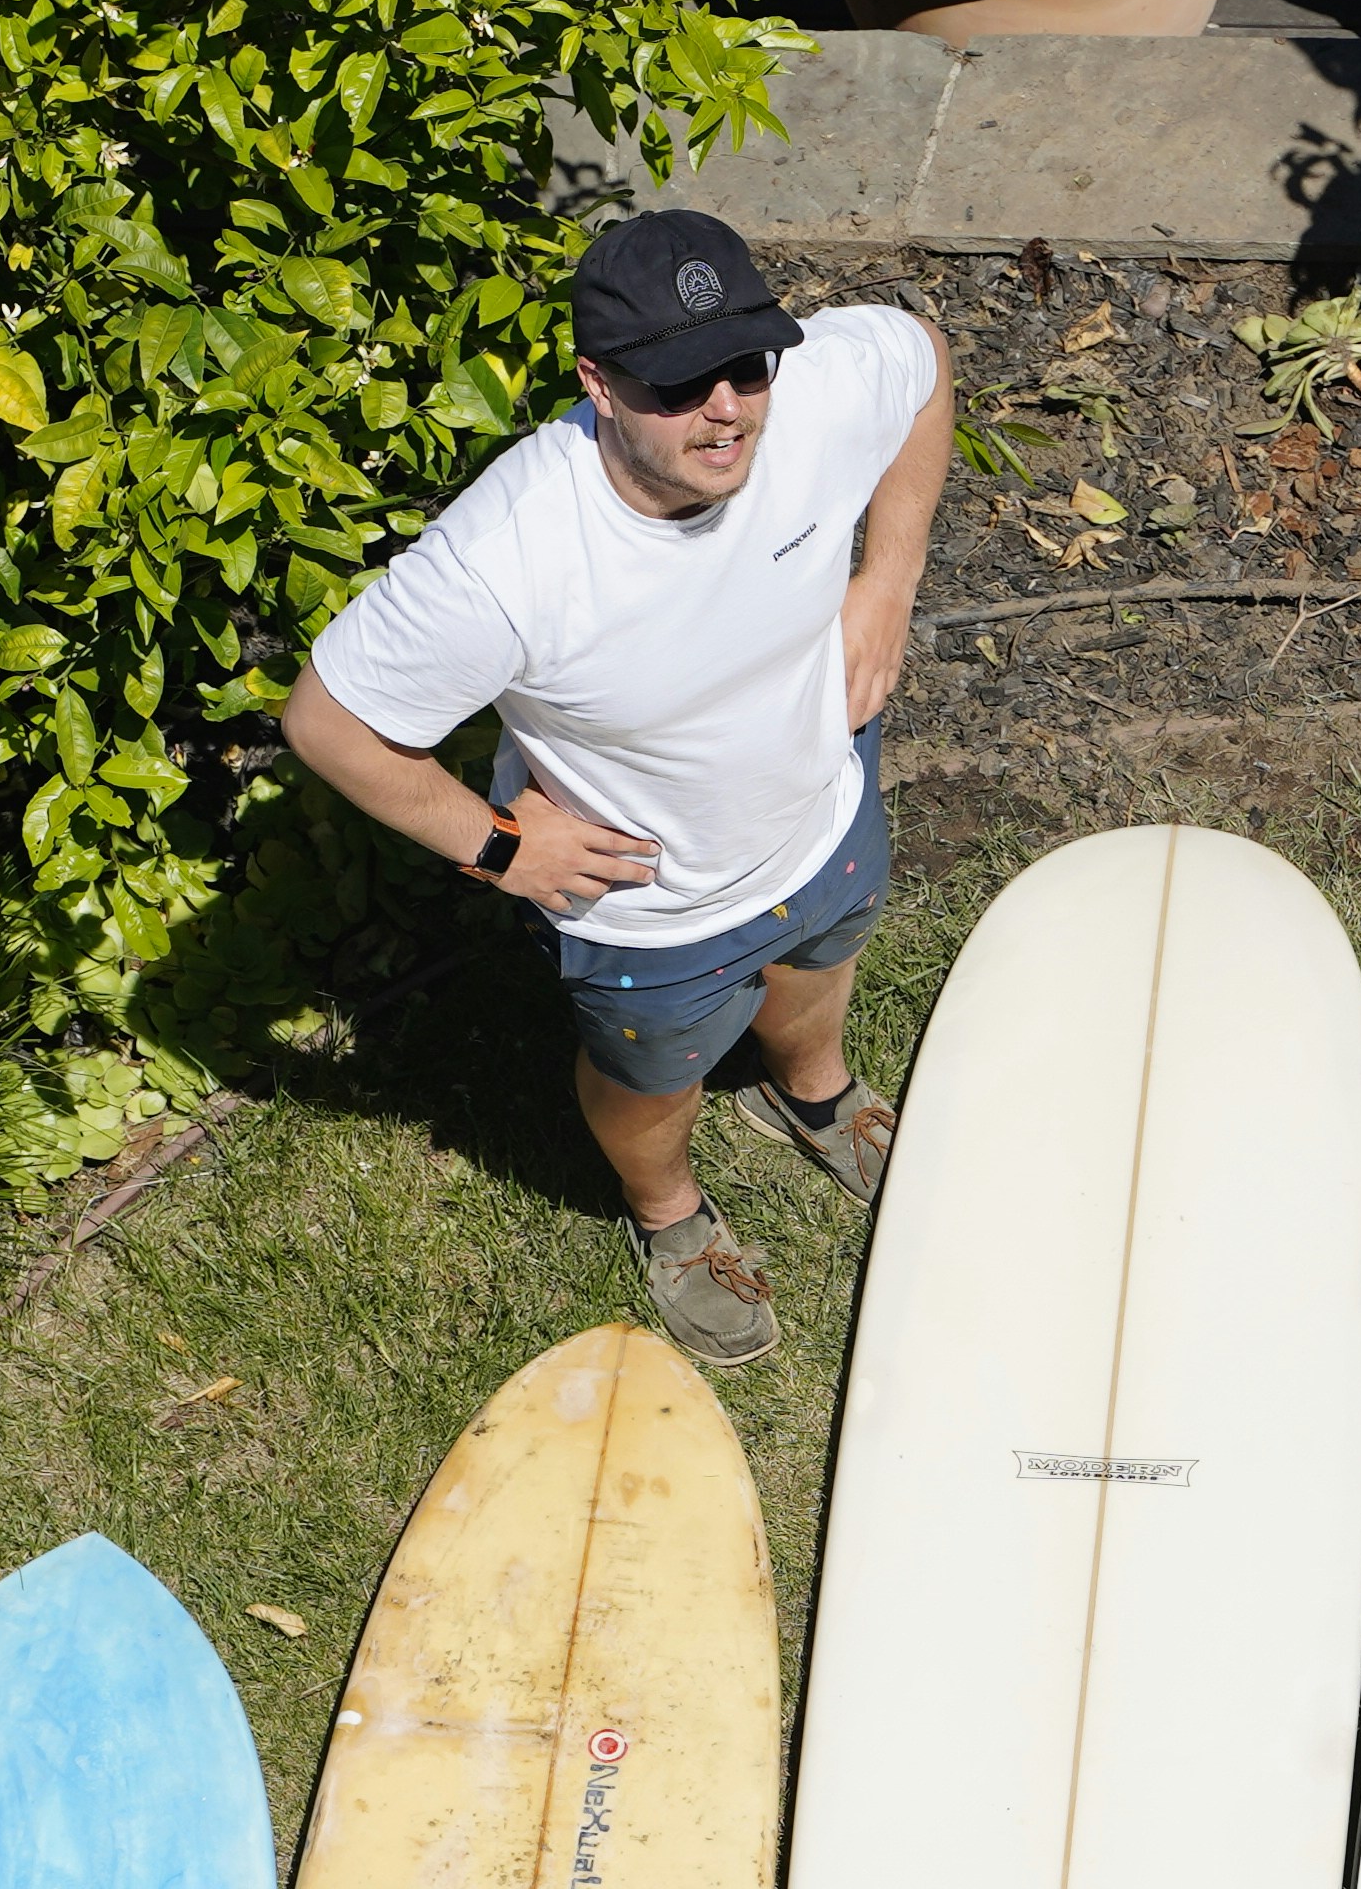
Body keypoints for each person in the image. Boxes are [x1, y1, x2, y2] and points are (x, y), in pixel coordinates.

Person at [282, 210, 951, 1366]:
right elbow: (329, 721)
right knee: (652, 1077)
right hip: (652, 906)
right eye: (680, 382)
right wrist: (498, 848)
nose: (727, 407)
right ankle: (670, 1214)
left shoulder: (816, 396)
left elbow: (923, 360)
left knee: (822, 961)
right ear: (598, 382)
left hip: (827, 800)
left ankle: (815, 1091)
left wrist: (887, 578)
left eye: (746, 364)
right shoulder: (513, 557)